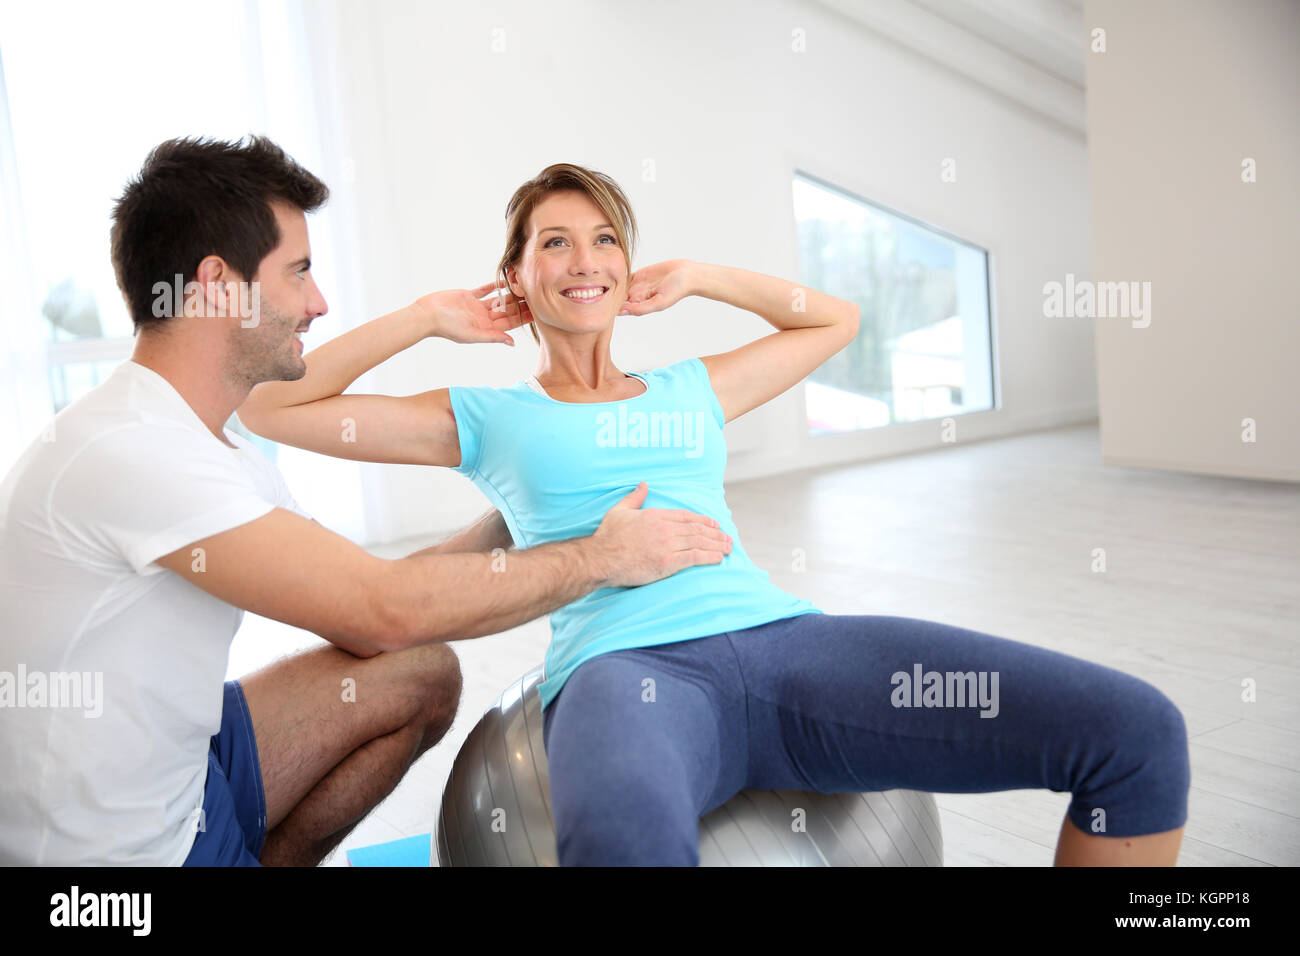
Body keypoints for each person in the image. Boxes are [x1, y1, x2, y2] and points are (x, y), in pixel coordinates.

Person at [237, 162, 1191, 866]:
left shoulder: (692, 387)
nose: (586, 259)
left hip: (785, 648)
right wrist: (424, 317)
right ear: (515, 280)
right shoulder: (488, 415)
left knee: (1136, 734)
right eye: (554, 243)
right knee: (621, 843)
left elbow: (835, 321)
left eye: (606, 238)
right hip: (622, 672)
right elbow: (271, 403)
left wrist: (700, 277)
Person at [0, 139, 732, 867]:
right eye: (299, 273)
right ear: (220, 285)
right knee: (403, 638)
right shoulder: (133, 451)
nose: (317, 303)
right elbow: (383, 610)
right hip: (111, 859)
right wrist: (601, 557)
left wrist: (512, 518)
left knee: (420, 677)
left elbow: (365, 614)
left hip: (188, 761)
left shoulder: (210, 446)